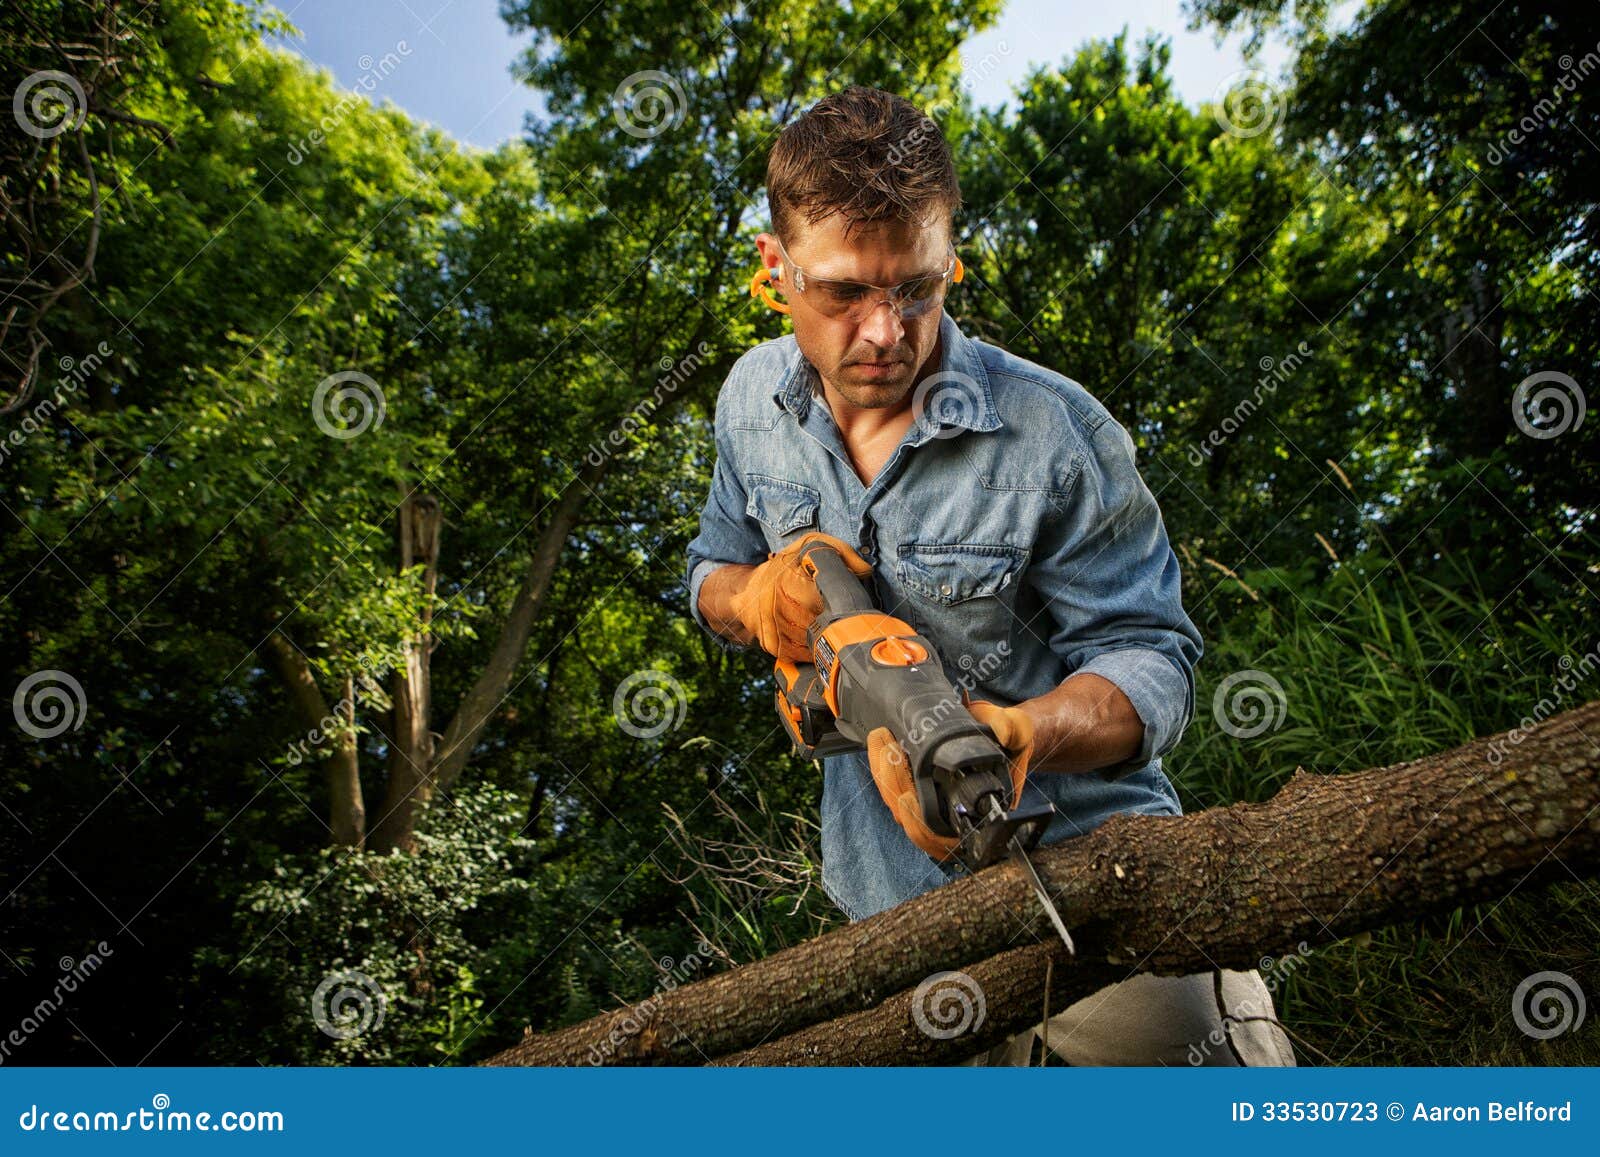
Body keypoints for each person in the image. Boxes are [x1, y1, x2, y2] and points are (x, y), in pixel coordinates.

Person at [684, 84, 1294, 1067]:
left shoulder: (1055, 432)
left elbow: (1152, 660)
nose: (883, 331)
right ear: (775, 271)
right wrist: (754, 599)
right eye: (843, 292)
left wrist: (1024, 731)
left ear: (949, 259)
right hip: (886, 921)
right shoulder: (749, 405)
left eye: (915, 287)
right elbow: (711, 567)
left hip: (1099, 875)